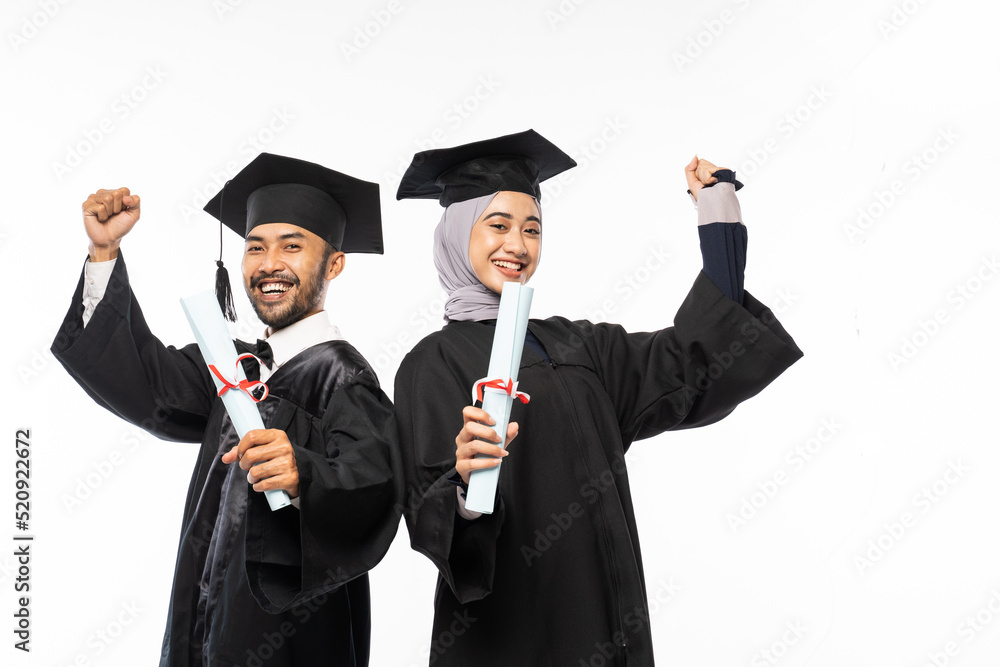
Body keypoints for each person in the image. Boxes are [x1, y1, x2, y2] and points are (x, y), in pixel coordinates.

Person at [393, 130, 803, 666]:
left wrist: (718, 217)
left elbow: (694, 361)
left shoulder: (580, 344)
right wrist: (466, 488)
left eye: (532, 228)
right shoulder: (431, 364)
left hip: (611, 626)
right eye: (497, 225)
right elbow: (427, 513)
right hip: (508, 639)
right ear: (455, 233)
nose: (517, 245)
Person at [51, 153, 402, 667]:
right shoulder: (233, 367)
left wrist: (307, 475)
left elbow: (377, 487)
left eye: (292, 246)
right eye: (255, 247)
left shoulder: (343, 378)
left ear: (334, 264)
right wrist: (104, 251)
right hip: (202, 625)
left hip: (290, 645)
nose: (269, 264)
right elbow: (145, 384)